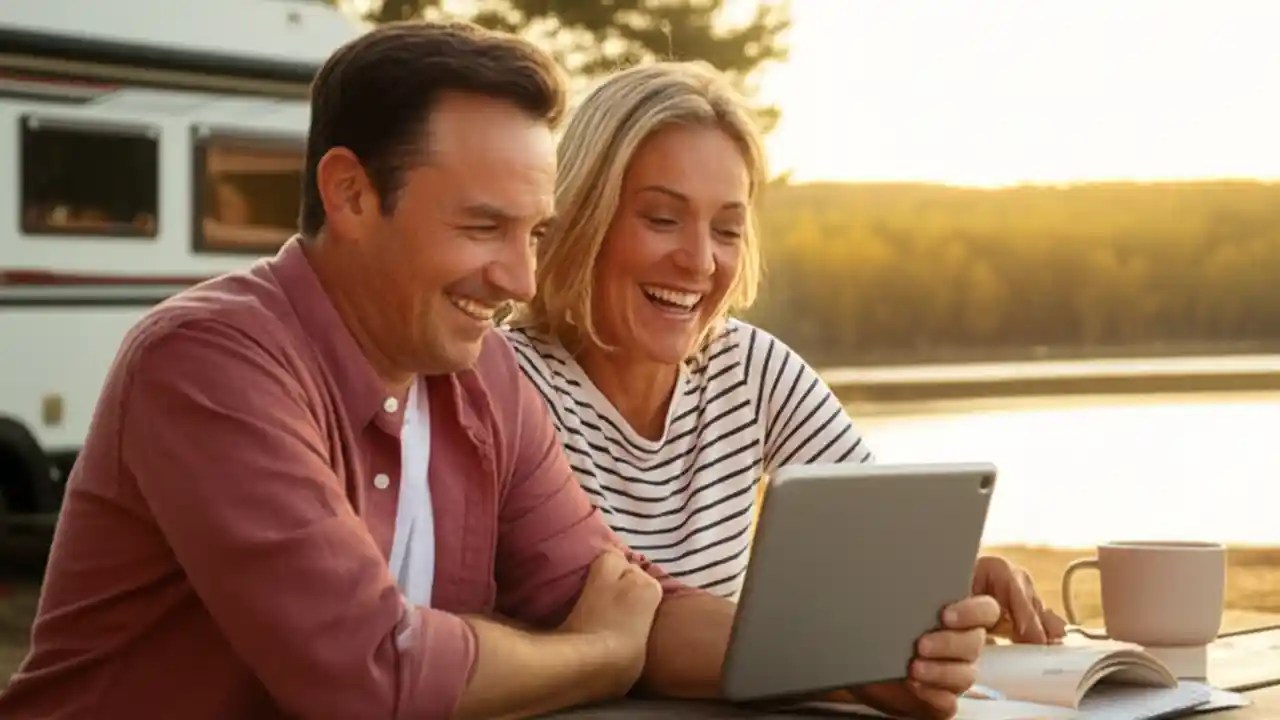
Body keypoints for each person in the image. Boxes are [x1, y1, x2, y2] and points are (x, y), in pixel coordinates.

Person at [2, 25, 1004, 720]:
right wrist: (590, 658)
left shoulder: (483, 385)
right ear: (350, 194)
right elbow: (366, 675)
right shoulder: (213, 362)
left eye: (530, 232)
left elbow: (626, 600)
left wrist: (859, 668)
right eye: (482, 227)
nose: (519, 278)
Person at [502, 60, 1067, 638]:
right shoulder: (505, 384)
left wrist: (961, 579)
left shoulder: (748, 369)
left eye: (726, 230)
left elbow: (878, 540)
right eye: (663, 218)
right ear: (580, 216)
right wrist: (837, 663)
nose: (700, 262)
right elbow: (629, 622)